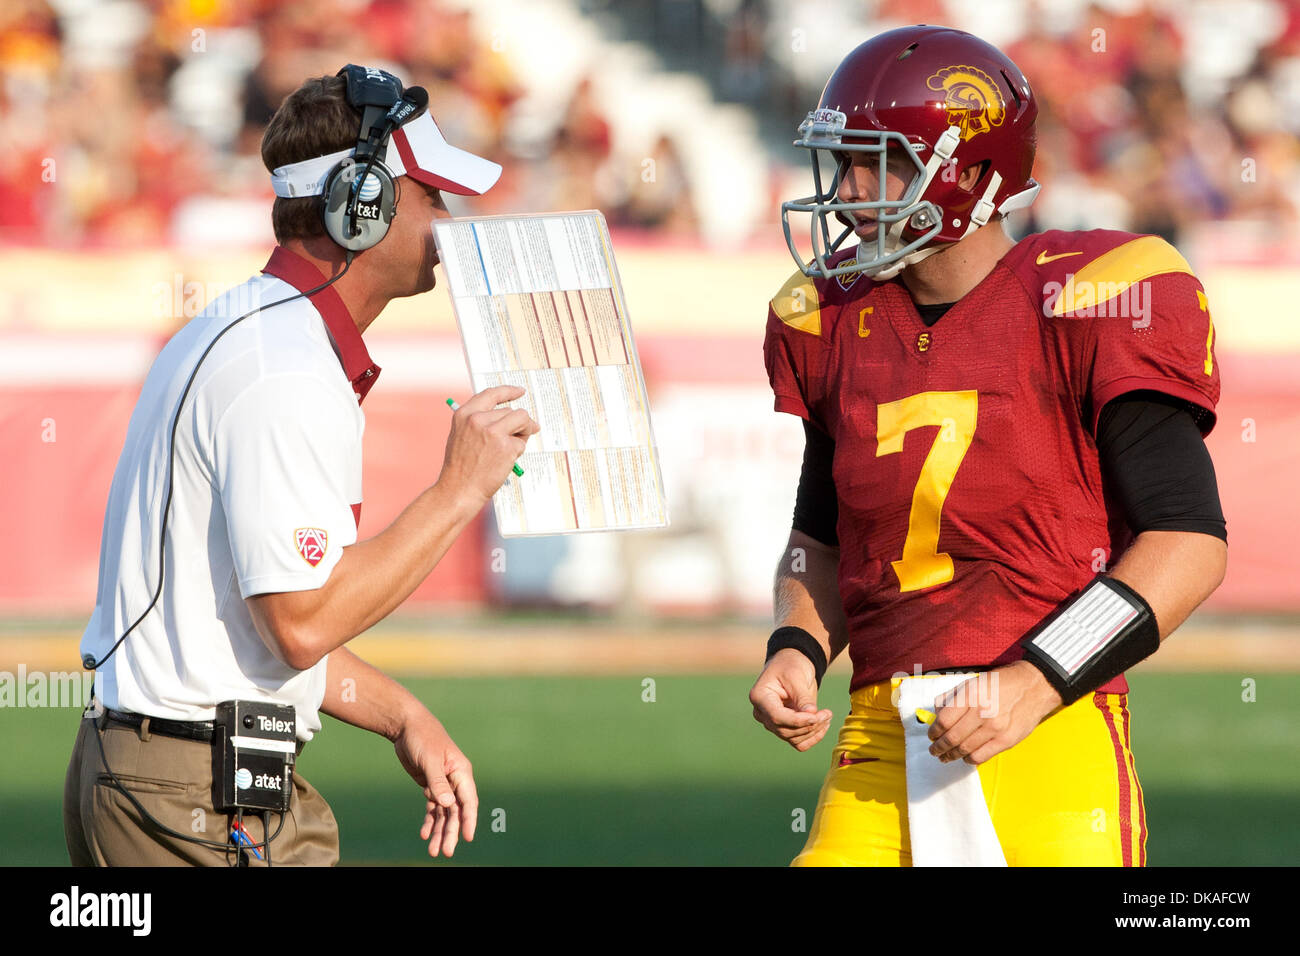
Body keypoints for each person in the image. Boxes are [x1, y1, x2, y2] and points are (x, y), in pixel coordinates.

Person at [749, 25, 1227, 866]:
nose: (851, 192)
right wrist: (795, 645)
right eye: (843, 161)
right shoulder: (829, 320)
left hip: (1047, 723)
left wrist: (1039, 680)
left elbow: (1187, 543)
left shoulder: (1091, 297)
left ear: (969, 172)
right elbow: (820, 537)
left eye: (881, 162)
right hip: (880, 734)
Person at [63, 65, 539, 866]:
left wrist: (402, 714)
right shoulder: (281, 363)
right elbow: (301, 623)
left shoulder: (255, 332)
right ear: (364, 205)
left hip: (172, 778)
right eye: (432, 197)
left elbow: (250, 623)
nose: (449, 223)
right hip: (193, 795)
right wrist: (459, 490)